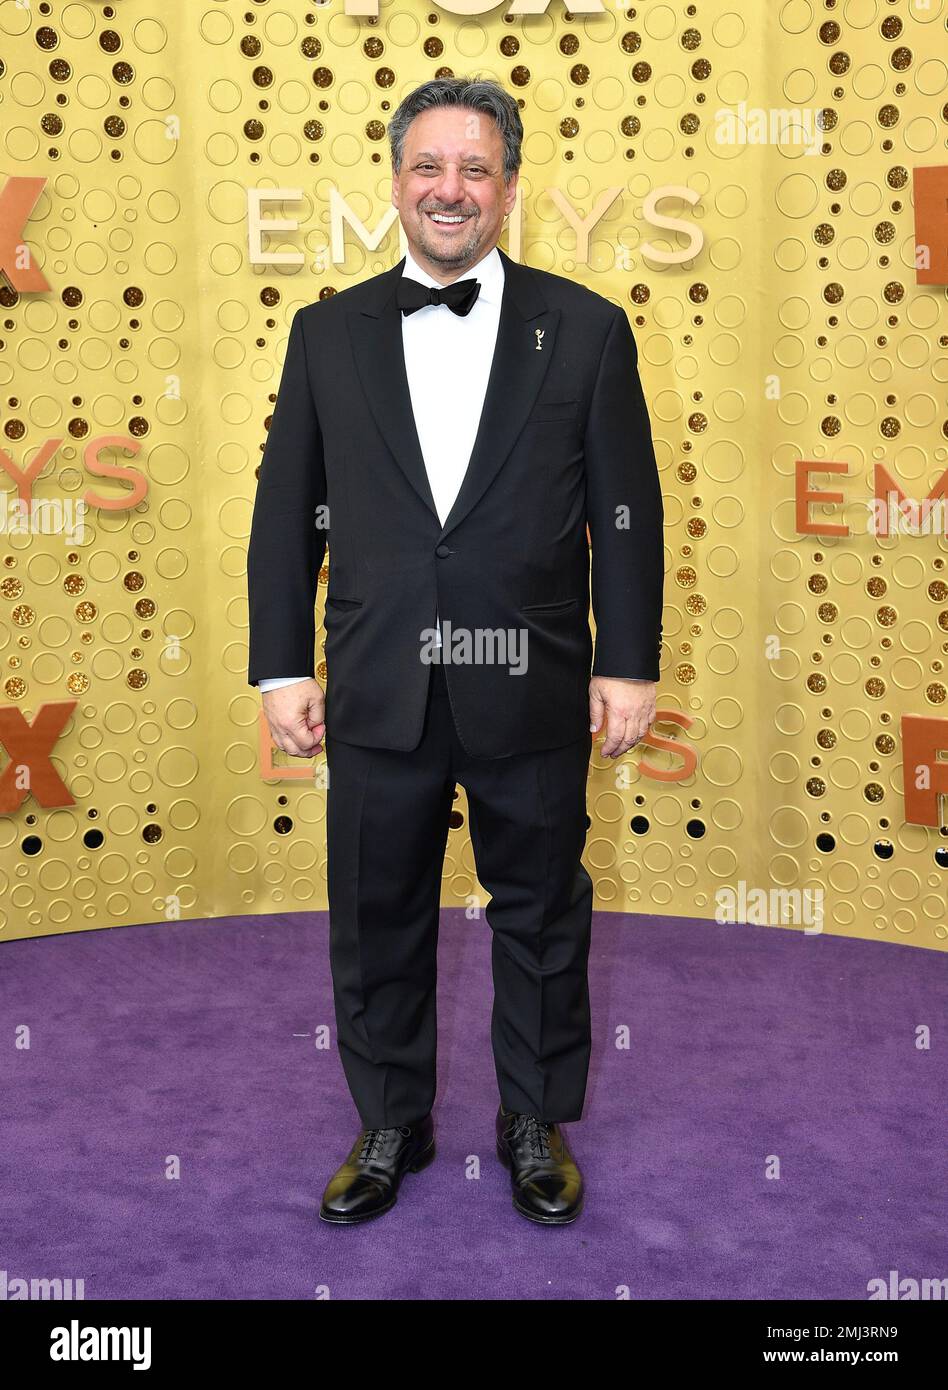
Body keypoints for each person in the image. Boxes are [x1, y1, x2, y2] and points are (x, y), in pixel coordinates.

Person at [247, 75, 664, 1226]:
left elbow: (626, 510)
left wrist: (627, 661)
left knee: (539, 906)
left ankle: (534, 1115)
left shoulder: (584, 329)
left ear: (510, 188)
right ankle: (391, 1116)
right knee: (377, 907)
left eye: (476, 170)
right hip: (377, 678)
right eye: (430, 167)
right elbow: (286, 510)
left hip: (531, 678)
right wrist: (282, 666)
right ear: (395, 182)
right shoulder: (326, 334)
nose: (451, 190)